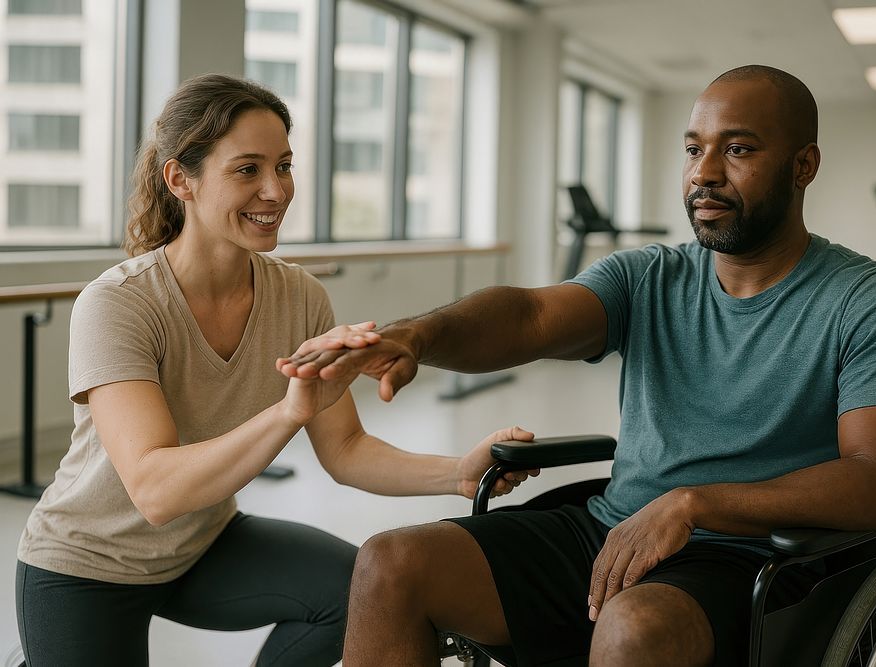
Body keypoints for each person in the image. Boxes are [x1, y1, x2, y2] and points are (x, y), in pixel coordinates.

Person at [278, 65, 876, 666]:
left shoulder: (869, 299)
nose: (703, 172)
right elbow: (529, 316)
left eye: (737, 149)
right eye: (692, 149)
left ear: (803, 165)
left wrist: (695, 502)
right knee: (389, 562)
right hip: (615, 530)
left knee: (632, 629)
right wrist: (420, 333)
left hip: (763, 561)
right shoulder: (651, 276)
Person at [14, 73, 535, 667]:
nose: (275, 190)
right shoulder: (119, 303)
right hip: (86, 564)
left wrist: (461, 475)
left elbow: (346, 450)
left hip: (200, 547)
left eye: (283, 166)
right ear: (179, 179)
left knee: (360, 593)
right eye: (247, 170)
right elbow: (155, 491)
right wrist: (290, 410)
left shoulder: (298, 297)